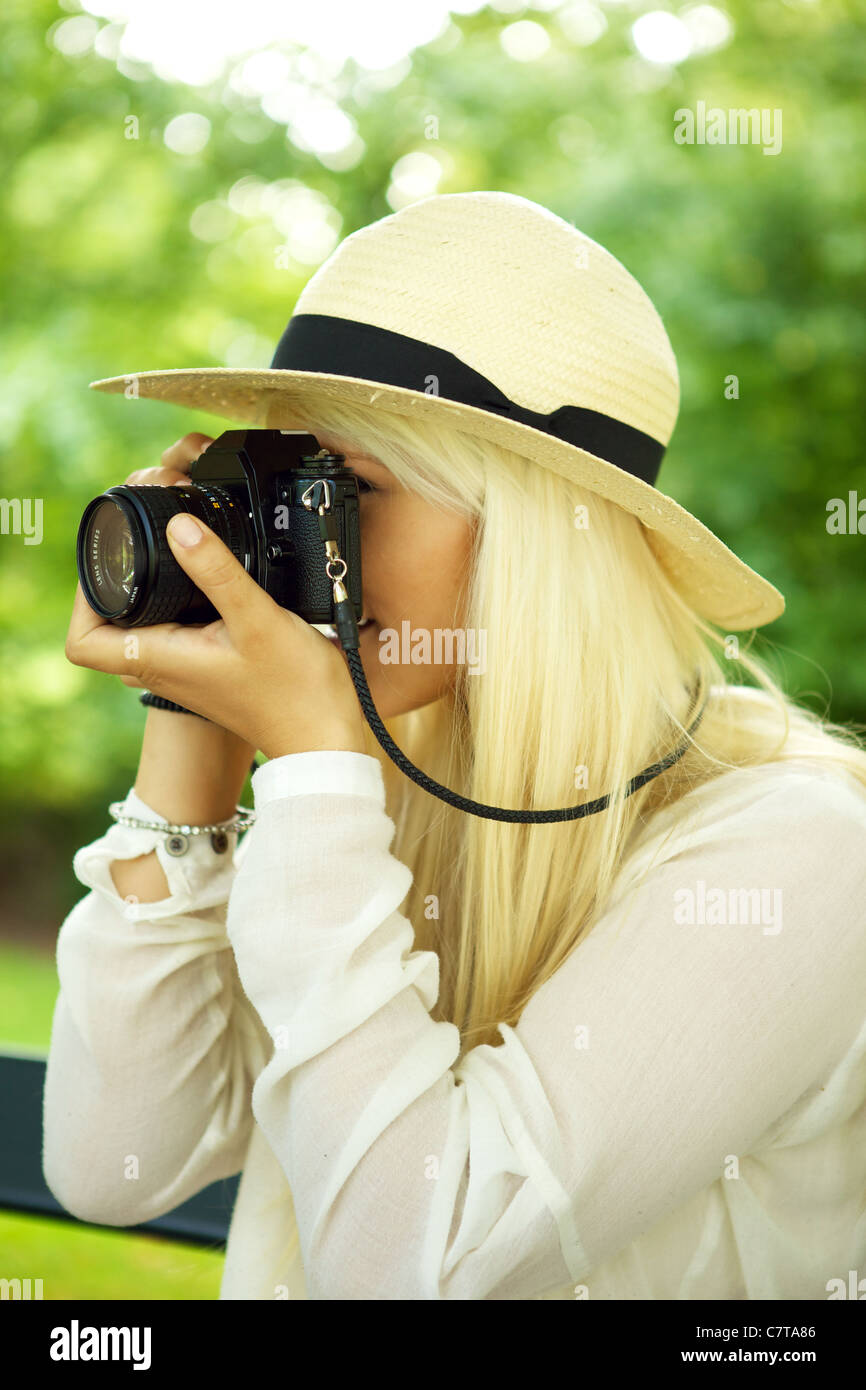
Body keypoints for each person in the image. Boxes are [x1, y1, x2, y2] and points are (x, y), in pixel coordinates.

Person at [44, 192, 866, 1300]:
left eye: (347, 493)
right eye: (284, 492)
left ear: (533, 534)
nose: (299, 546)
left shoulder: (797, 857)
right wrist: (189, 723)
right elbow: (111, 1163)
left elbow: (410, 1266)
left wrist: (315, 771)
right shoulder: (378, 784)